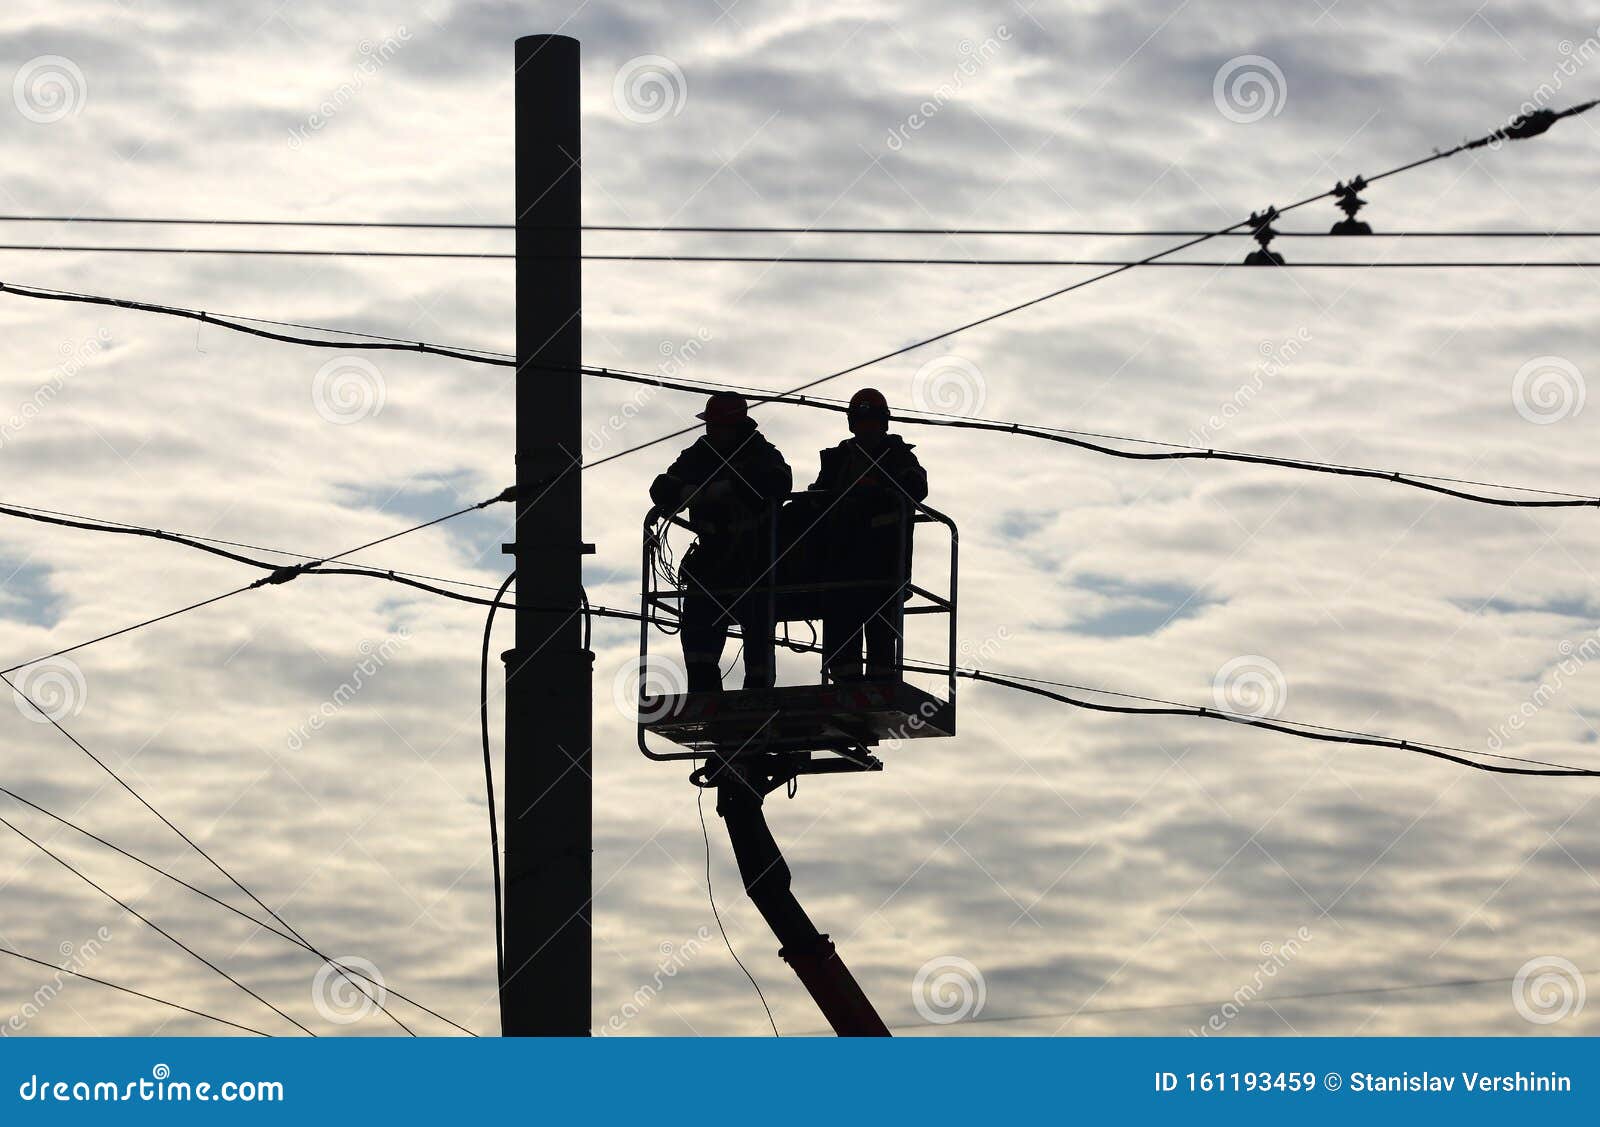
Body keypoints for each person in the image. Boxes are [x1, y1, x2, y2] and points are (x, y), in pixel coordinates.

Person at [650, 392, 792, 692]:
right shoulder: (699, 454)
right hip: (712, 555)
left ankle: (757, 690)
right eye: (710, 425)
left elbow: (779, 481)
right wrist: (685, 490)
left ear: (736, 426)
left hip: (754, 557)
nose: (711, 431)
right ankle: (704, 690)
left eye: (717, 425)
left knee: (757, 624)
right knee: (698, 622)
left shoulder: (760, 453)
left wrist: (732, 487)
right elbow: (661, 485)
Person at [808, 388, 928, 682]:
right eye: (861, 420)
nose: (867, 426)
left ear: (884, 423)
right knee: (841, 626)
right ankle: (845, 685)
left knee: (881, 635)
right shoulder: (838, 459)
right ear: (852, 423)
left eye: (872, 420)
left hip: (882, 562)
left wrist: (878, 492)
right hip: (841, 562)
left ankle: (879, 684)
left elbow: (917, 487)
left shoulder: (899, 457)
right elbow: (817, 497)